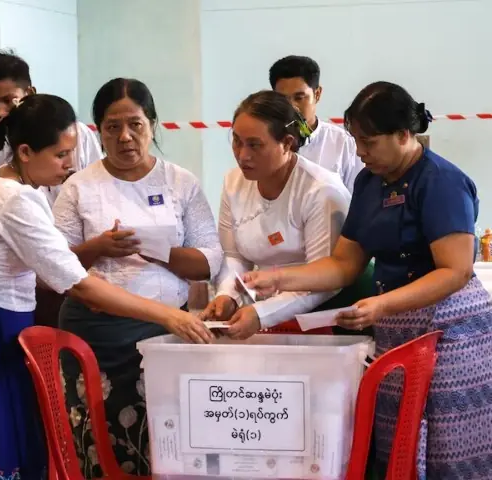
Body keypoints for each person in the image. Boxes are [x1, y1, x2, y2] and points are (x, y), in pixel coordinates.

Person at [0, 93, 214, 480]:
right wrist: (168, 316)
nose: (70, 163)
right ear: (25, 152)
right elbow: (78, 284)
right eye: (61, 155)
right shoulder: (16, 199)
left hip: (2, 324)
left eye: (72, 153)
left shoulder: (24, 188)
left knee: (12, 445)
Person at [243, 81, 492, 478]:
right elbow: (344, 264)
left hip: (449, 334)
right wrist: (279, 278)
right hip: (394, 328)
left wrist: (381, 304)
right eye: (356, 140)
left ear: (404, 135)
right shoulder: (369, 182)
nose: (360, 151)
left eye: (369, 142)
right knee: (397, 444)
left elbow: (455, 270)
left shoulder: (441, 181)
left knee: (446, 450)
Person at [51, 78, 222, 477]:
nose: (125, 137)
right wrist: (98, 247)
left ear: (153, 125)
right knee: (97, 447)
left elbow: (209, 261)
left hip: (167, 331)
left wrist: (160, 251)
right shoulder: (79, 187)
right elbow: (55, 266)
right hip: (97, 334)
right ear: (98, 131)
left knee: (166, 444)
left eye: (135, 124)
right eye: (113, 127)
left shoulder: (180, 182)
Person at [199, 90, 353, 339]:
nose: (242, 155)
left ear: (287, 143)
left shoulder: (321, 191)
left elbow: (324, 281)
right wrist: (227, 295)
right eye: (237, 141)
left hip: (321, 320)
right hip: (262, 313)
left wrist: (263, 314)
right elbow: (233, 255)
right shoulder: (233, 182)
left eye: (255, 145)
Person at [0, 50, 103, 205]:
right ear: (24, 153)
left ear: (30, 93)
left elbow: (99, 190)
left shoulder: (78, 135)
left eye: (8, 100)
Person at [270, 55, 363, 192]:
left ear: (317, 94)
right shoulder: (267, 140)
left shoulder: (343, 143)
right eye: (283, 100)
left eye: (299, 98)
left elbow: (357, 195)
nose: (292, 107)